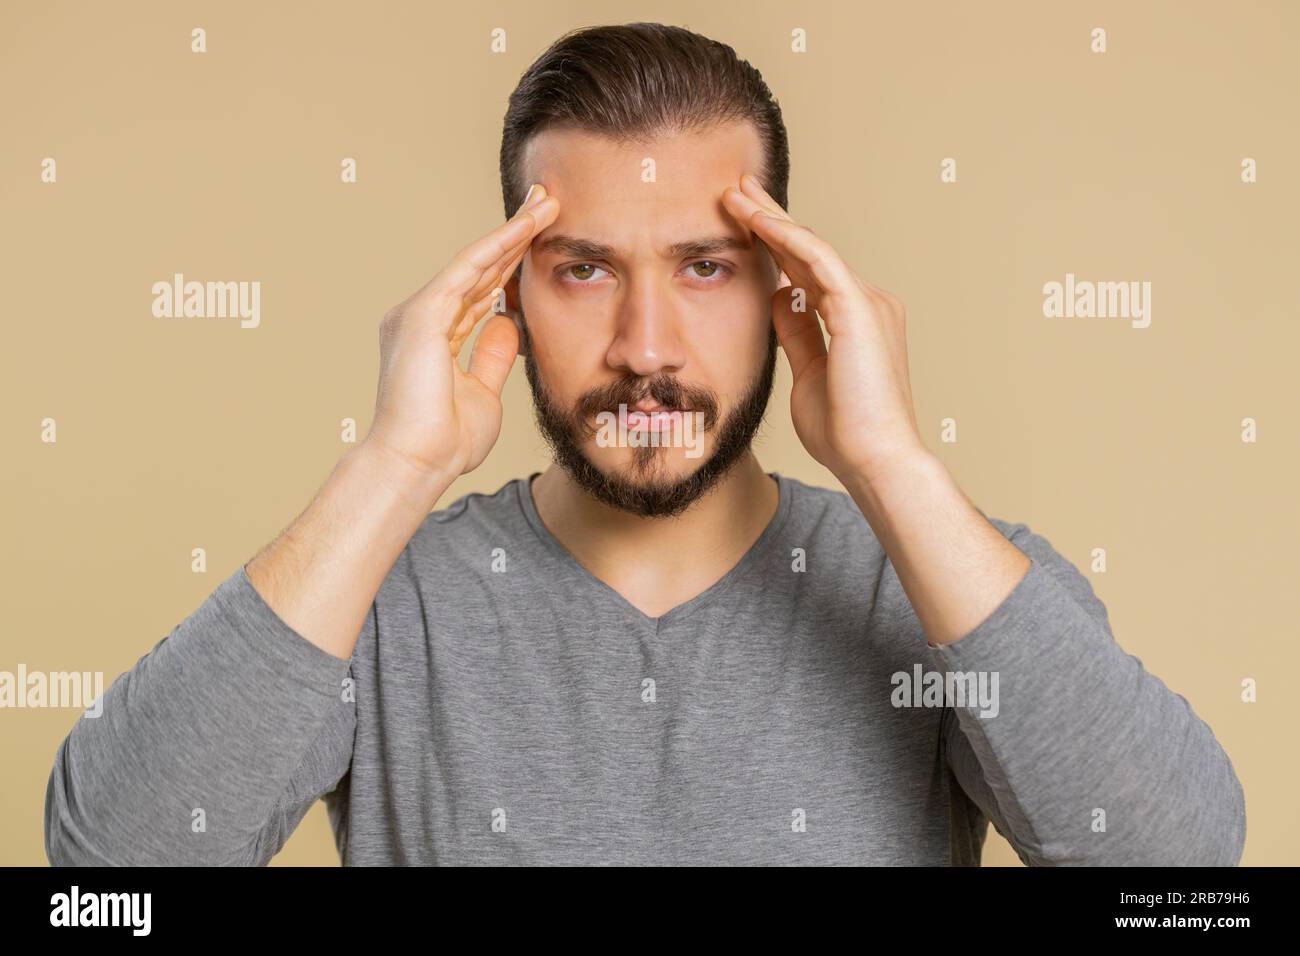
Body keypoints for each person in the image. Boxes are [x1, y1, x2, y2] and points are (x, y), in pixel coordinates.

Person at [45, 22, 1245, 866]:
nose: (645, 345)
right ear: (506, 295)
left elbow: (1178, 875)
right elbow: (105, 877)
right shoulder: (374, 597)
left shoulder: (935, 582)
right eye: (584, 271)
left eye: (704, 267)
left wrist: (892, 466)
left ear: (786, 287)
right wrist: (391, 467)